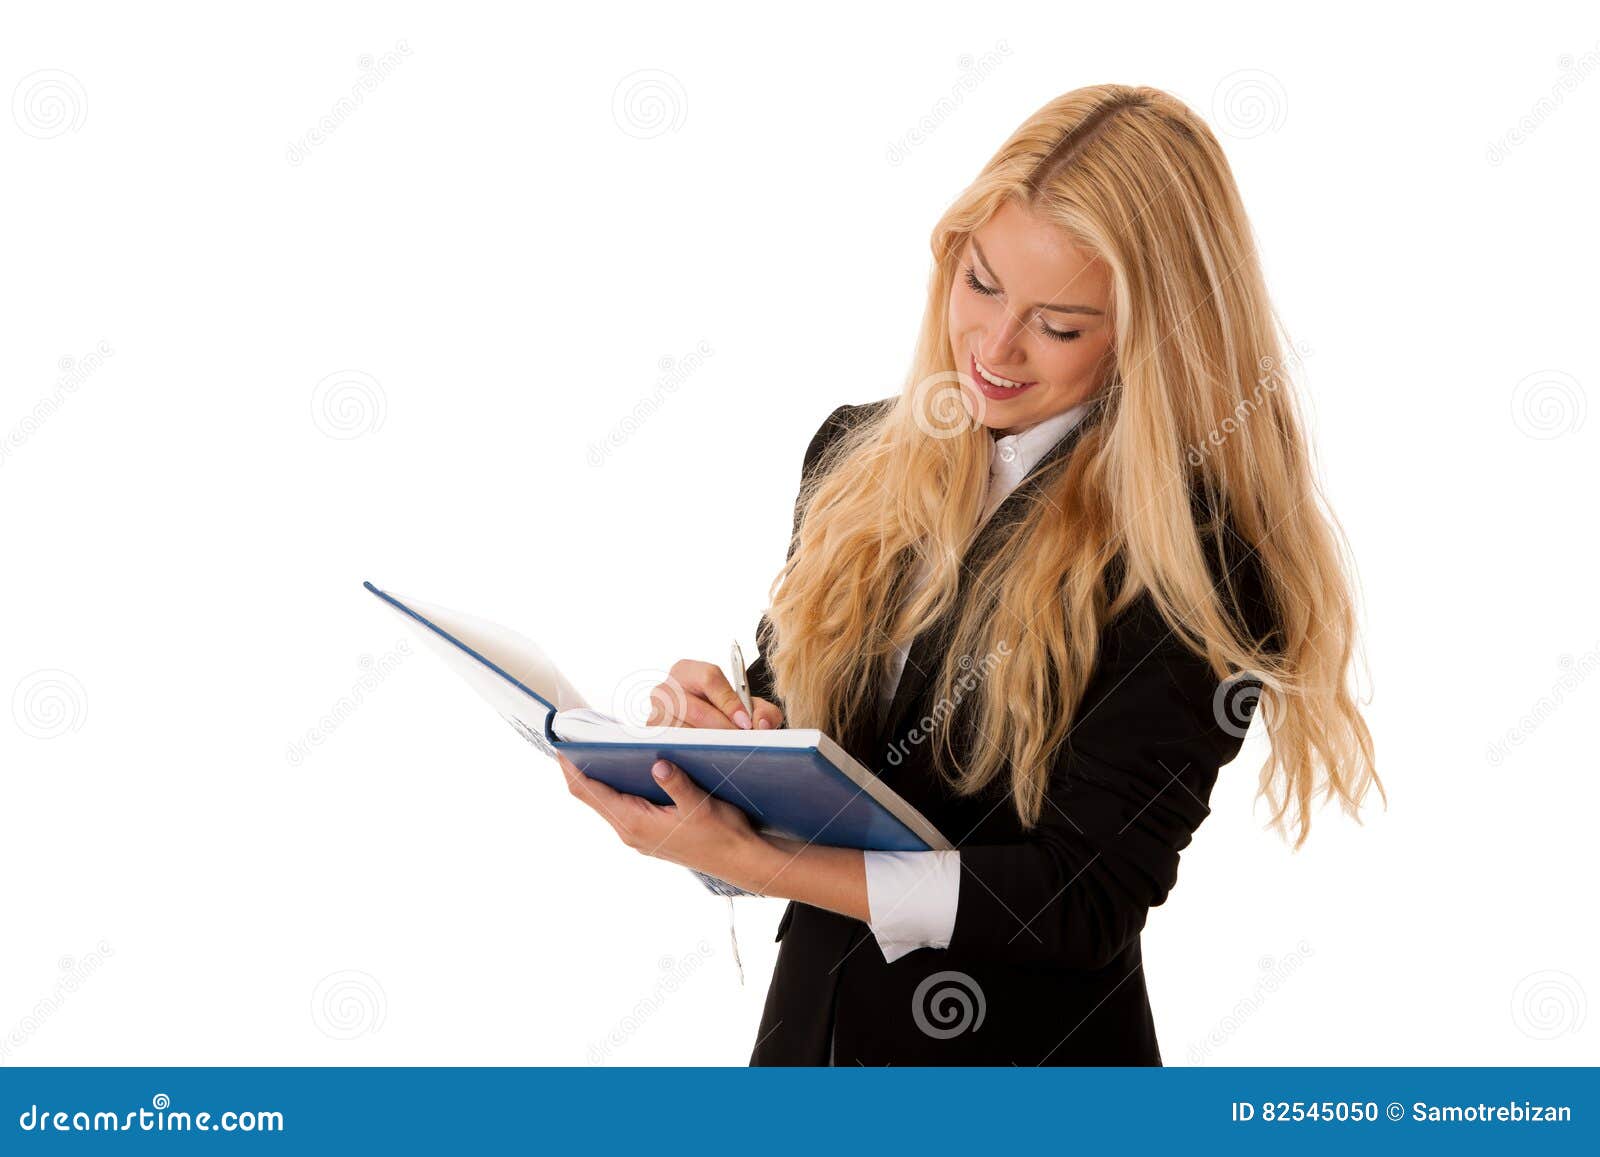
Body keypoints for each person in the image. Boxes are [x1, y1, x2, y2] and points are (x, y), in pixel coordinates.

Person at [558, 82, 1384, 1065]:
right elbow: (814, 742)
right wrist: (730, 741)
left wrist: (762, 856)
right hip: (808, 1042)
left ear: (1148, 334)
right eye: (981, 282)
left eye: (1059, 324)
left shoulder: (1196, 553)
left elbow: (1083, 900)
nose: (993, 346)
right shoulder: (852, 453)